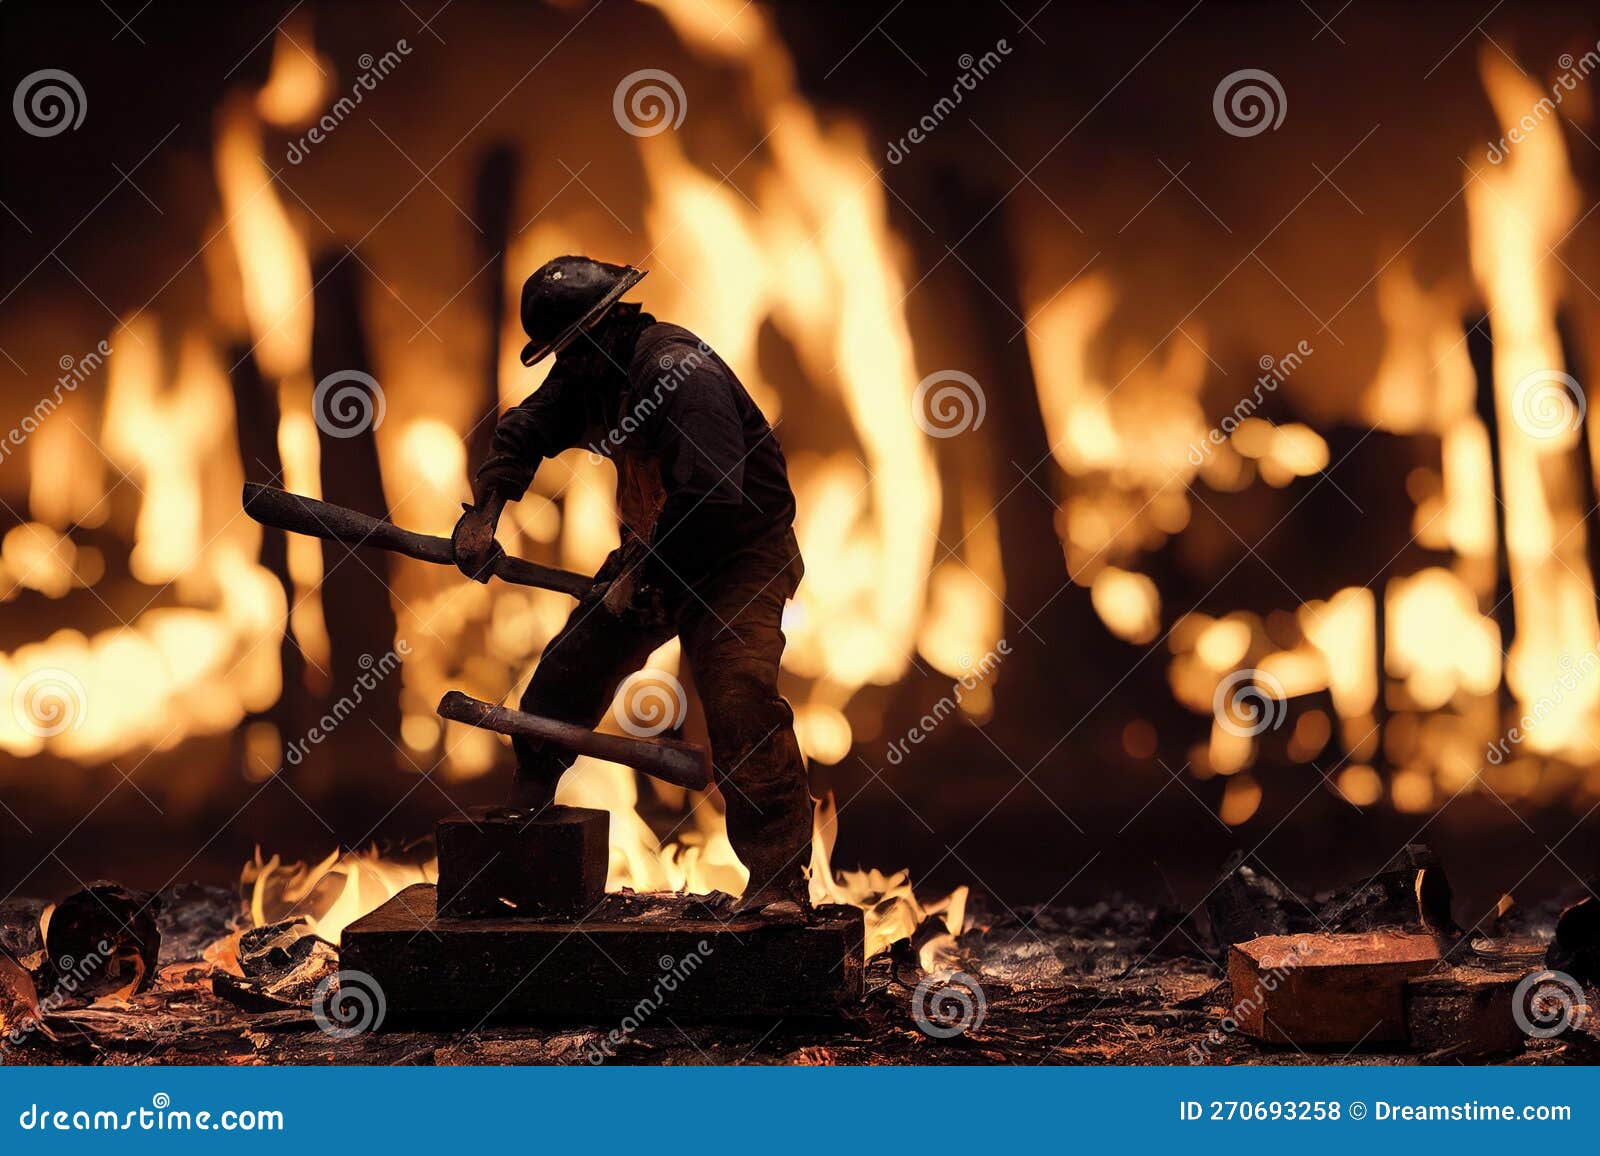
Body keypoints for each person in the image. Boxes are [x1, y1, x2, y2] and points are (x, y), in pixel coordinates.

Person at [452, 255, 812, 911]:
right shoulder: (592, 371)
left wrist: (643, 575)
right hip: (657, 546)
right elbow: (526, 428)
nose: (569, 364)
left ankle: (780, 881)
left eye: (576, 347)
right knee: (567, 671)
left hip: (740, 557)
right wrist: (486, 512)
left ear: (610, 325)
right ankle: (524, 819)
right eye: (563, 352)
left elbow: (710, 496)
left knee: (738, 695)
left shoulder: (679, 373)